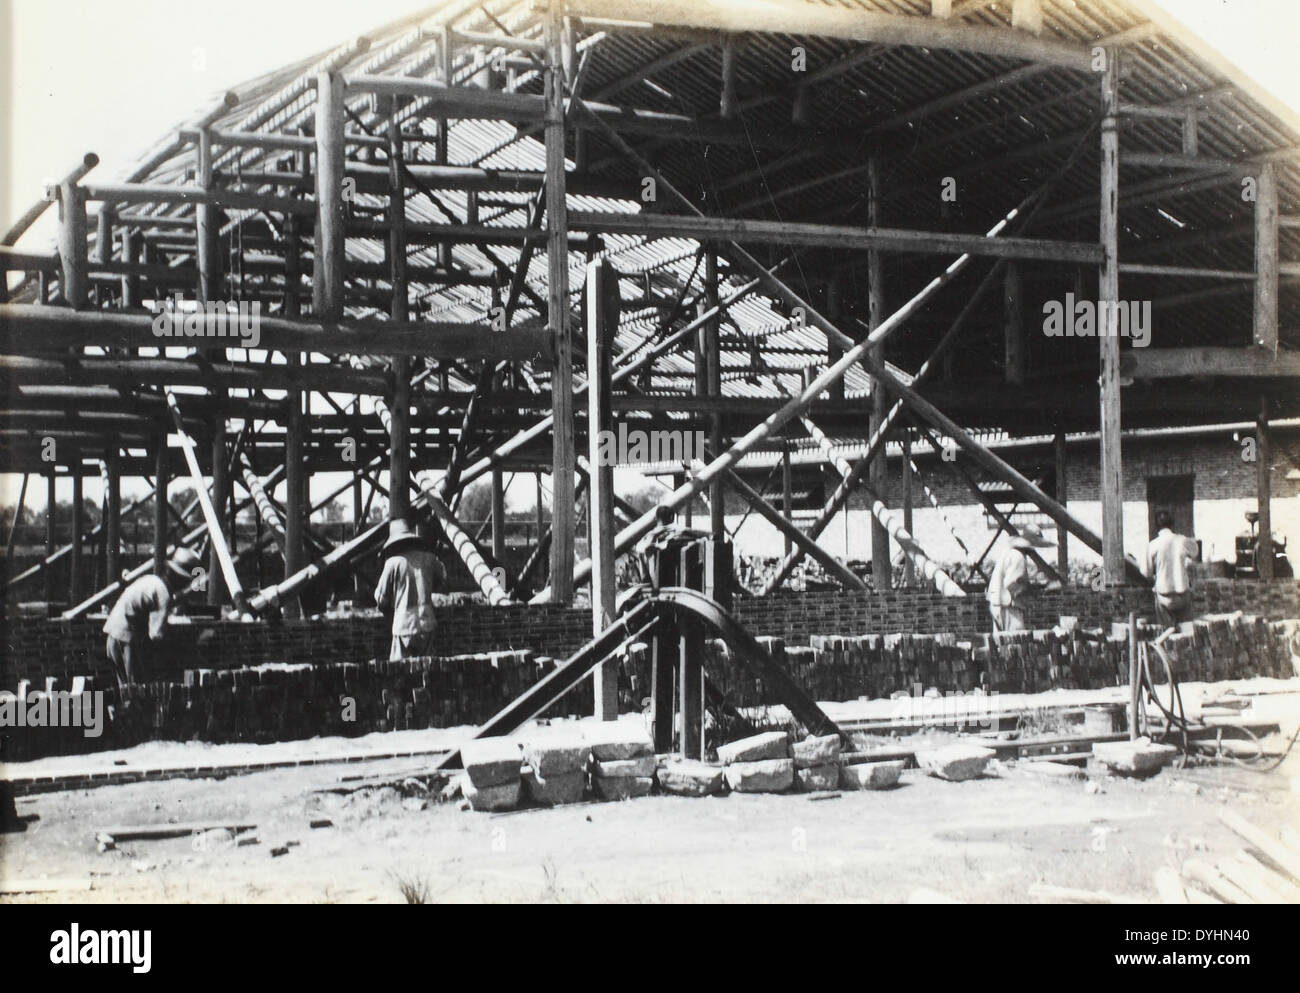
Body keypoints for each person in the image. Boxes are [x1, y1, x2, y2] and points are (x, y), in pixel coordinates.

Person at [103, 548, 201, 688]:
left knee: (122, 688)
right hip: (126, 641)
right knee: (133, 690)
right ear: (179, 579)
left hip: (113, 634)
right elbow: (156, 635)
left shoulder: (151, 580)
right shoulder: (163, 594)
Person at [374, 518, 445, 661]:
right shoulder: (430, 559)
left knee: (401, 673)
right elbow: (442, 580)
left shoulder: (392, 563)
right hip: (427, 623)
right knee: (428, 672)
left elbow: (381, 600)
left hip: (403, 626)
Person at [986, 524, 1055, 633]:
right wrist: (1035, 590)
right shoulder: (1018, 557)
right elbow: (1012, 585)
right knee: (1016, 640)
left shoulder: (1008, 553)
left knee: (1001, 641)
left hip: (996, 603)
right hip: (1008, 606)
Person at [1146, 510, 1200, 630]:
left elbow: (1147, 573)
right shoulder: (1182, 540)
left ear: (1156, 527)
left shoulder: (1153, 545)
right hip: (1182, 593)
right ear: (1172, 525)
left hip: (1163, 595)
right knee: (1187, 631)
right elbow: (1196, 551)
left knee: (1165, 632)